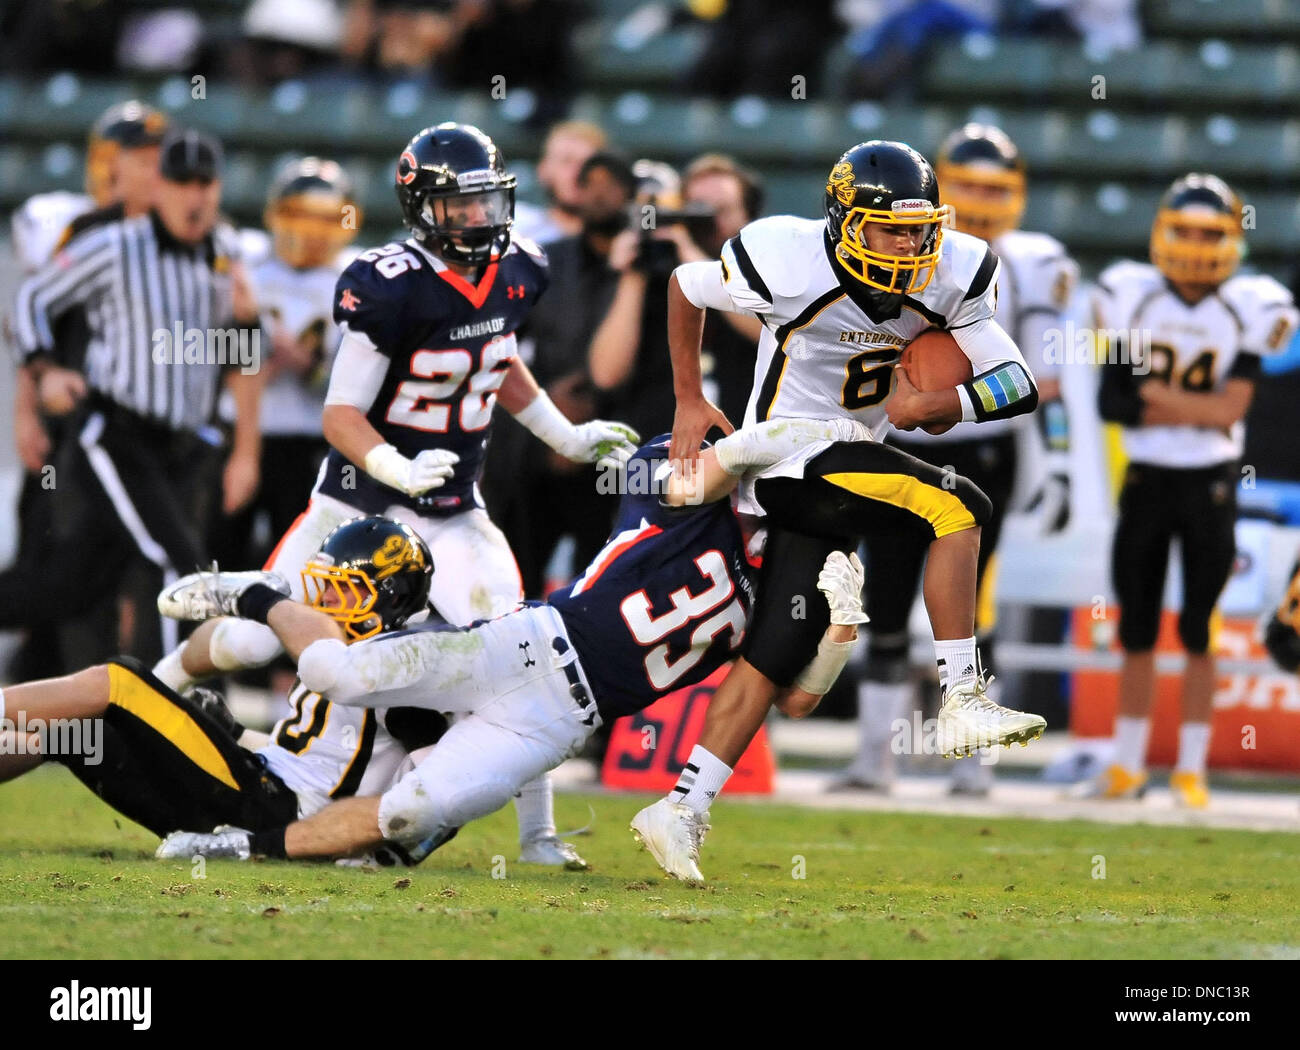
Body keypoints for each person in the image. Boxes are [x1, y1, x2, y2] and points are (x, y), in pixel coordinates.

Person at [150, 123, 640, 869]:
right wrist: (396, 466)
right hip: (356, 501)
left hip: (451, 507)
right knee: (257, 638)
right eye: (460, 206)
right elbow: (339, 413)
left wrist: (564, 436)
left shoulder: (520, 269)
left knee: (515, 649)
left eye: (486, 202)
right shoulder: (389, 282)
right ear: (419, 208)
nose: (478, 219)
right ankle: (167, 682)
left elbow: (496, 360)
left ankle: (538, 834)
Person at [153, 420, 868, 871]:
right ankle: (249, 590)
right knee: (340, 676)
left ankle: (239, 848)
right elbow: (699, 470)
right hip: (524, 642)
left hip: (558, 723)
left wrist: (840, 627)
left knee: (412, 814)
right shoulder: (693, 476)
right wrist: (795, 431)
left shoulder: (787, 589)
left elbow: (796, 698)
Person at [637, 139, 1048, 881]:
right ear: (843, 219)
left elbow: (1018, 382)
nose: (910, 244)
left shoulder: (954, 271)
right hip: (785, 456)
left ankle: (679, 808)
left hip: (847, 467)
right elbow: (684, 284)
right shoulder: (786, 258)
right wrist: (690, 397)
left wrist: (943, 401)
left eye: (921, 228)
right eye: (891, 228)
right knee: (959, 507)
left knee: (776, 669)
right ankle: (961, 695)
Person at [839, 124, 1080, 796]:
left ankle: (975, 761)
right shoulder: (889, 242)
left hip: (978, 448)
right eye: (966, 184)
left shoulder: (1035, 264)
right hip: (895, 441)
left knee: (971, 606)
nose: (978, 198)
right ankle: (872, 760)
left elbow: (1044, 378)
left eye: (991, 188)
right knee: (883, 599)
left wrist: (1055, 460)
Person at [0, 518, 447, 854]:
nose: (325, 600)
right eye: (325, 587)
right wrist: (234, 733)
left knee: (122, 681)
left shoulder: (400, 669)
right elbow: (315, 757)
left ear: (390, 594)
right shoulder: (341, 652)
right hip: (248, 797)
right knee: (76, 736)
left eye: (341, 588)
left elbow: (446, 790)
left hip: (272, 810)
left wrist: (389, 854)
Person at [5, 127, 262, 666]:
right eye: (182, 182)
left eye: (205, 183)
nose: (195, 197)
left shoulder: (225, 253)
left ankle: (151, 705)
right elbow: (31, 300)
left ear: (217, 189)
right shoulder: (114, 243)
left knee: (70, 583)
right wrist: (44, 371)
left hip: (186, 445)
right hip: (117, 432)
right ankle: (182, 709)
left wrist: (246, 449)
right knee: (181, 565)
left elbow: (239, 354)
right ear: (160, 189)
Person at [1090, 173, 1298, 808]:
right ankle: (1127, 767)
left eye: (1211, 233)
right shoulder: (1130, 295)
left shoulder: (1253, 304)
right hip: (1149, 480)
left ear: (1233, 239)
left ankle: (1190, 769)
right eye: (1186, 230)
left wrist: (1156, 396)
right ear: (1162, 229)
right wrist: (1190, 406)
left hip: (1209, 482)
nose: (1197, 245)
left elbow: (1227, 410)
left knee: (1202, 629)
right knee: (1138, 629)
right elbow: (1112, 404)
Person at [6, 100, 169, 680]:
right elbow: (30, 320)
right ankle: (56, 694)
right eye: (126, 159)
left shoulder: (184, 233)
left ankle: (114, 708)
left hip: (146, 435)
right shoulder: (66, 224)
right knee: (53, 565)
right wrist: (27, 411)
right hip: (75, 428)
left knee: (125, 573)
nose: (133, 172)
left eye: (153, 159)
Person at [483, 151, 641, 597]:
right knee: (518, 575)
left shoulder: (654, 266)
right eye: (589, 183)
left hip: (621, 439)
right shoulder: (541, 261)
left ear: (632, 195)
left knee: (606, 583)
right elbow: (498, 341)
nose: (600, 195)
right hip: (534, 441)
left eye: (612, 186)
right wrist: (551, 399)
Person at [209, 157, 361, 573]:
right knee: (218, 559)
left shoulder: (358, 277)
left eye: (323, 219)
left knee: (296, 568)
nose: (310, 232)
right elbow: (199, 353)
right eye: (300, 217)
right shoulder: (244, 263)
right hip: (236, 431)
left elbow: (365, 386)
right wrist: (246, 360)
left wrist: (307, 366)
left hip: (308, 442)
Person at [680, 154, 767, 426]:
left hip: (748, 429)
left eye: (723, 211)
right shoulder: (661, 265)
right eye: (699, 210)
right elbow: (606, 375)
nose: (710, 222)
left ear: (748, 214)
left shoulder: (769, 267)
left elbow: (769, 332)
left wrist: (689, 253)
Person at [511, 120, 606, 246]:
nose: (577, 173)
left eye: (587, 164)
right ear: (543, 169)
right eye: (566, 161)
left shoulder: (618, 238)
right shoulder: (515, 228)